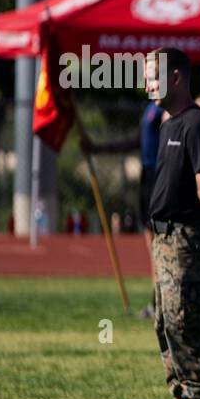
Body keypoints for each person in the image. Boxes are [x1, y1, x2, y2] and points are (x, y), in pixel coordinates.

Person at [133, 47, 200, 399]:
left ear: (175, 77)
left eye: (153, 75)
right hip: (165, 238)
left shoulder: (196, 124)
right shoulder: (167, 123)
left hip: (189, 238)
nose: (146, 83)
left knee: (188, 321)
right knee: (166, 322)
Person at [78, 95, 165, 320]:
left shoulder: (167, 107)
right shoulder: (150, 106)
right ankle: (157, 301)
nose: (148, 82)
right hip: (148, 176)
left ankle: (165, 302)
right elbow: (139, 140)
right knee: (152, 241)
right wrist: (100, 148)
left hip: (160, 175)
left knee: (162, 242)